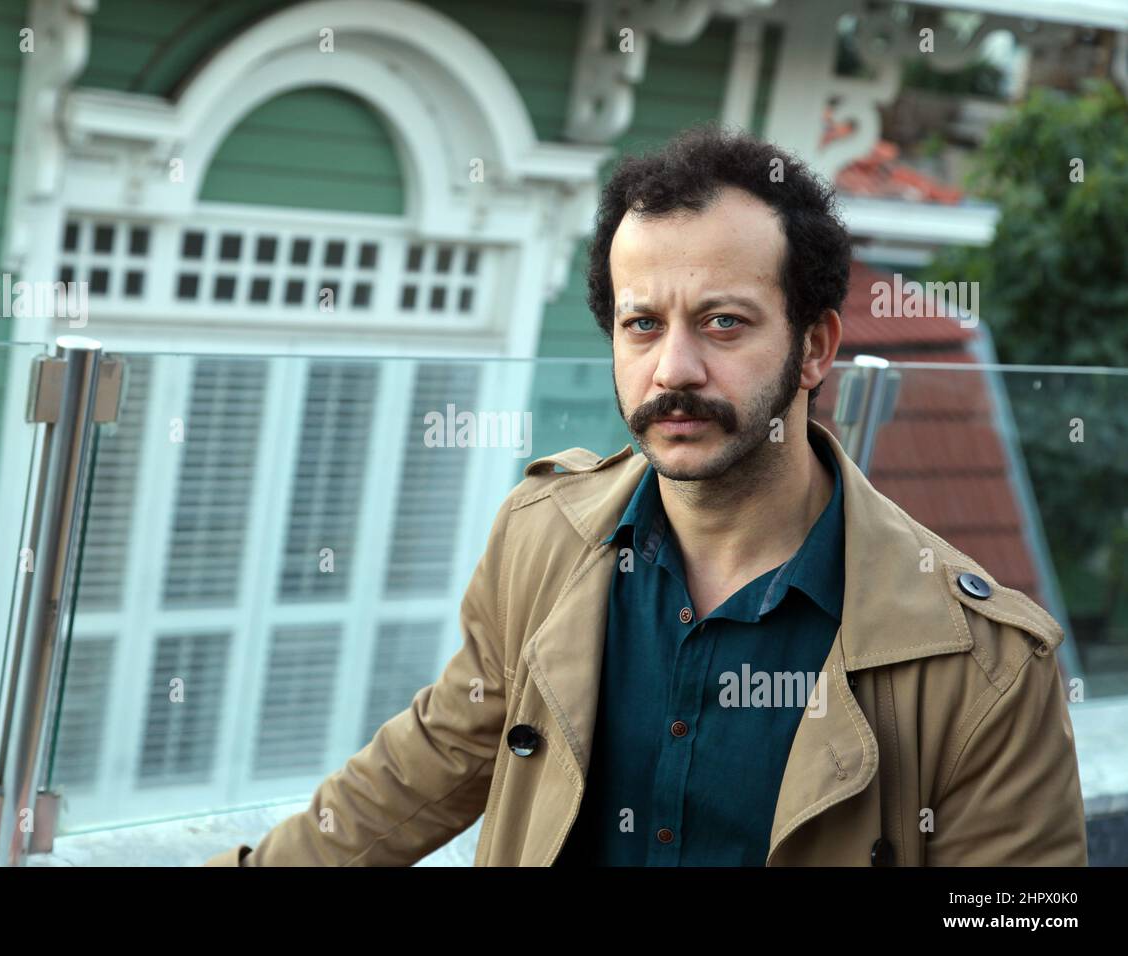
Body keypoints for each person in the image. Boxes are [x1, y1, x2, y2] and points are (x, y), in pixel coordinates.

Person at [205, 126, 1086, 867]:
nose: (674, 369)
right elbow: (431, 760)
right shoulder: (541, 536)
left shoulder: (986, 667)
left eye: (723, 322)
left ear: (816, 349)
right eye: (642, 325)